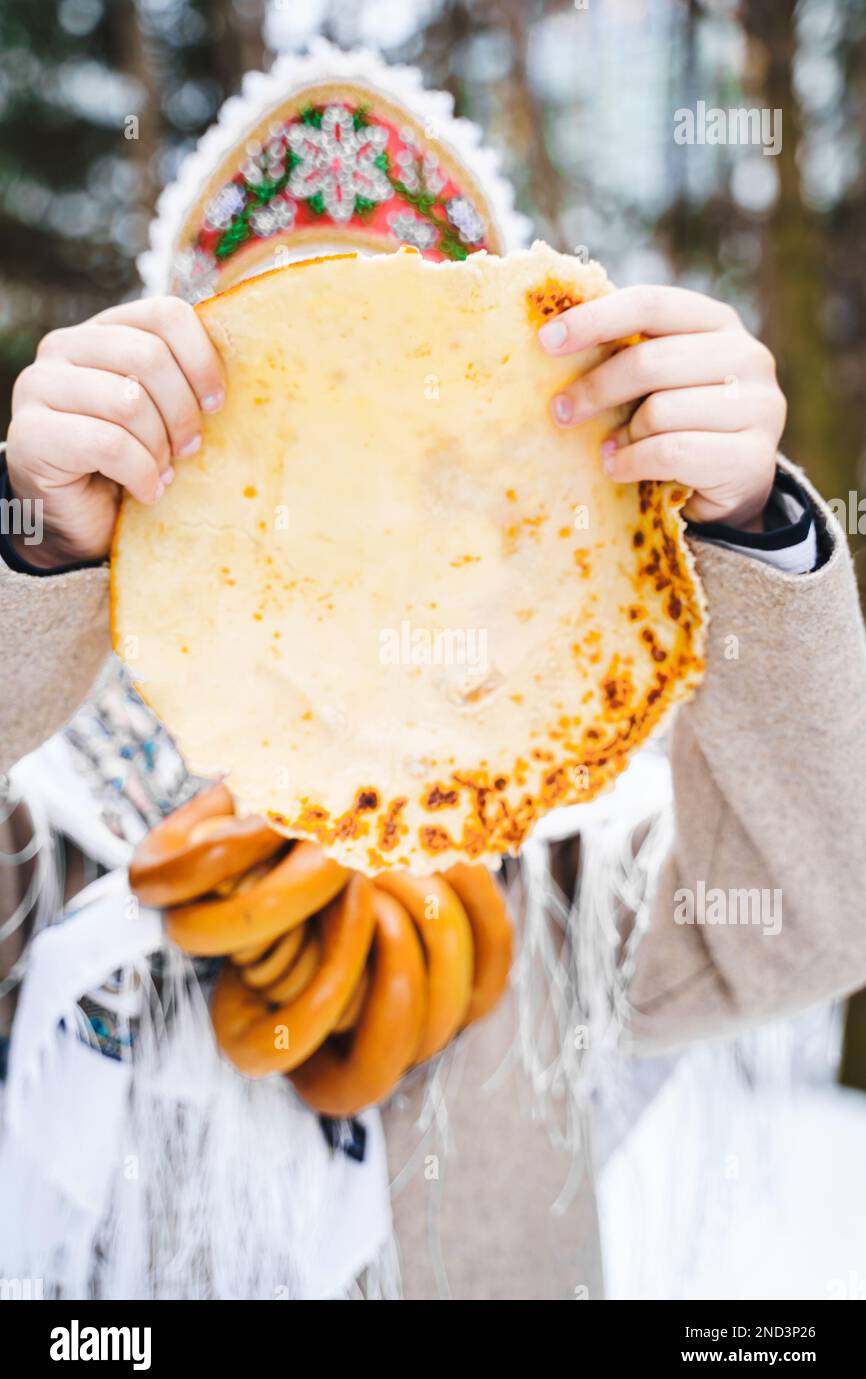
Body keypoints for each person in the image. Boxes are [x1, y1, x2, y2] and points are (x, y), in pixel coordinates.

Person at [1, 41, 865, 1300]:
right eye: (275, 415)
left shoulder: (557, 851)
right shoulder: (61, 836)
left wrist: (743, 530)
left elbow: (808, 924)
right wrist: (41, 547)